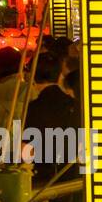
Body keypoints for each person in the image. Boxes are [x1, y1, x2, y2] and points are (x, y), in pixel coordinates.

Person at [24, 52, 80, 183]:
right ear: (60, 76)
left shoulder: (32, 108)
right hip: (72, 175)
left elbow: (26, 150)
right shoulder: (74, 105)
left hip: (43, 177)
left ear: (32, 78)